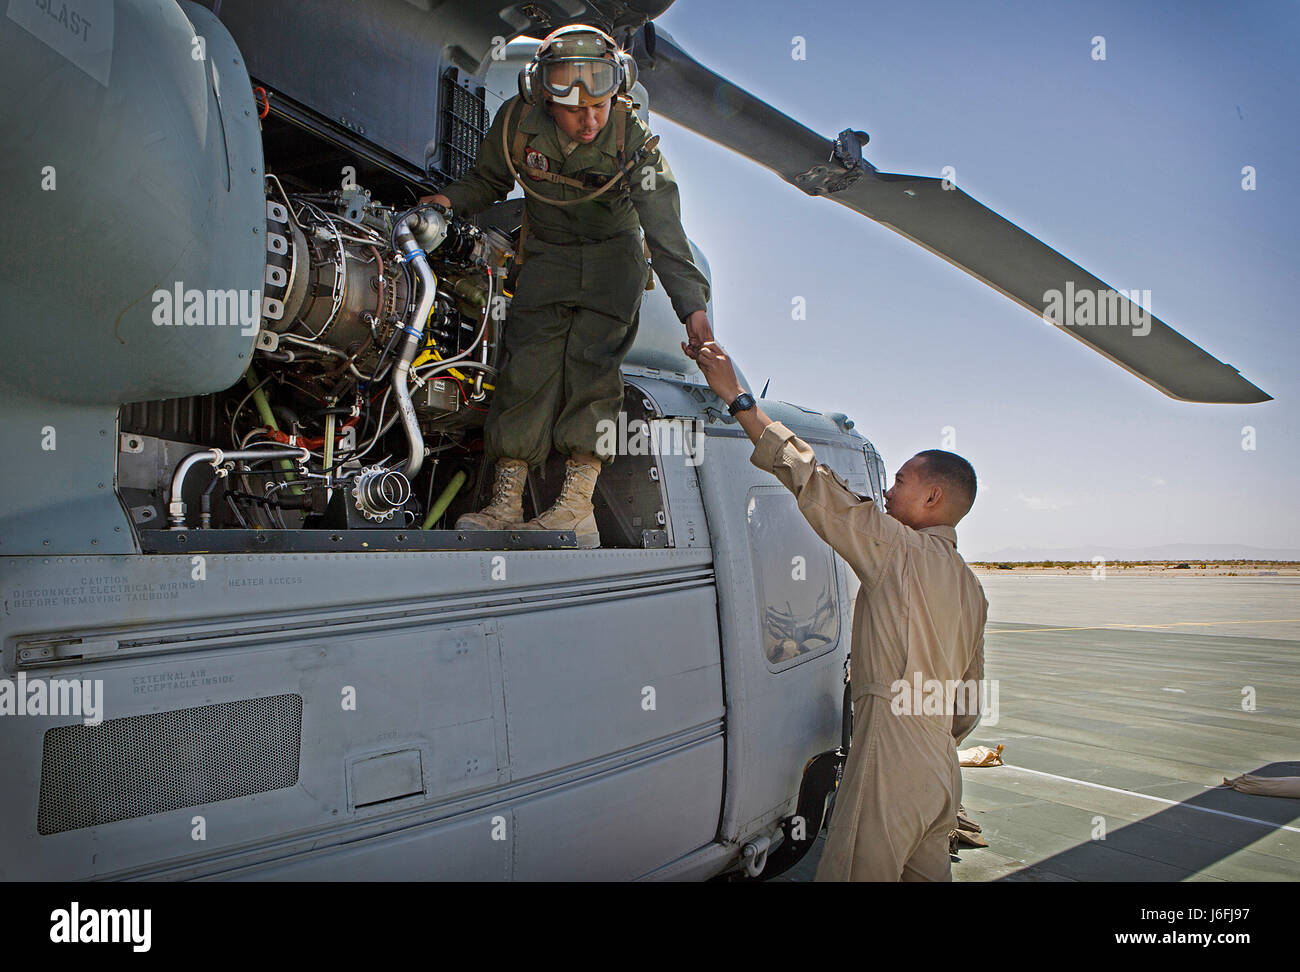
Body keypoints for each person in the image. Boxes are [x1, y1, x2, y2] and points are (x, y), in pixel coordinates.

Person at [691, 341, 988, 882]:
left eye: (900, 482)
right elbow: (968, 701)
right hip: (943, 769)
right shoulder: (971, 587)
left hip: (891, 756)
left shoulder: (899, 548)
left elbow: (813, 482)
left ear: (932, 498)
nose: (889, 492)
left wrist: (737, 399)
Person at [420, 25, 713, 548]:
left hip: (612, 264)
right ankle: (506, 502)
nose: (589, 119)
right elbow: (488, 182)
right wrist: (443, 204)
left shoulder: (634, 142)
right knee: (525, 371)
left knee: (594, 374)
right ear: (545, 95)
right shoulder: (517, 124)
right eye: (574, 108)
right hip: (547, 257)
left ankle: (577, 509)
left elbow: (667, 235)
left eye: (599, 105)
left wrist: (693, 310)